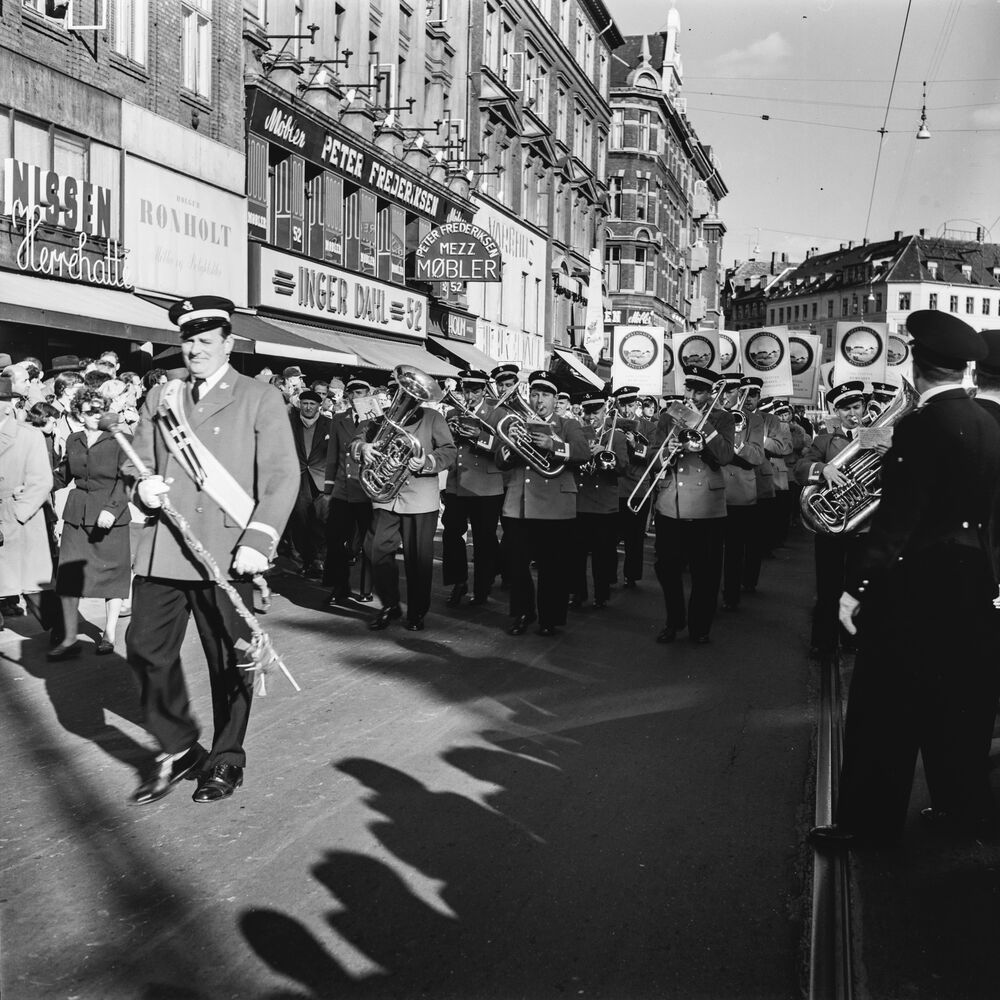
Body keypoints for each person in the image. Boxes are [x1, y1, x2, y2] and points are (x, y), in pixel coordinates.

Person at [811, 313, 1000, 848]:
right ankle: (963, 815)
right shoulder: (991, 423)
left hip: (917, 586)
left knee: (883, 711)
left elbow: (898, 521)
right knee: (958, 708)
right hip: (974, 583)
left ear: (915, 366)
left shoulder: (919, 426)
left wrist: (856, 589)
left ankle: (867, 826)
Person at [123, 295, 298, 806]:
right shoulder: (163, 397)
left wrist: (260, 539)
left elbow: (282, 475)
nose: (194, 349)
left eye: (204, 341)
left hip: (229, 547)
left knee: (230, 661)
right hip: (166, 545)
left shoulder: (258, 396)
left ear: (227, 343)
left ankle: (226, 757)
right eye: (188, 340)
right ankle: (179, 746)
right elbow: (140, 457)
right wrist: (142, 488)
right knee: (144, 647)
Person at [495, 370, 590, 636]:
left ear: (555, 399)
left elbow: (582, 453)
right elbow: (500, 461)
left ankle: (550, 618)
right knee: (516, 564)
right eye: (535, 394)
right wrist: (510, 444)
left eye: (545, 395)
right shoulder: (516, 422)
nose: (539, 401)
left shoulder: (568, 425)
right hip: (519, 504)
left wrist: (553, 444)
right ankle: (524, 612)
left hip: (555, 505)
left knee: (553, 567)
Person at [360, 375, 455, 632]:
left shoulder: (433, 418)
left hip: (419, 500)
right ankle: (390, 605)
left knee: (418, 562)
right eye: (400, 394)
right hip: (386, 498)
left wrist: (426, 462)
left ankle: (416, 612)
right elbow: (358, 440)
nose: (404, 400)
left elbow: (449, 450)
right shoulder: (380, 419)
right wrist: (363, 449)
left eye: (411, 396)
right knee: (375, 550)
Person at [652, 366, 735, 644]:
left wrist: (702, 424)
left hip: (707, 506)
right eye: (689, 389)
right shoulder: (669, 415)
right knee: (666, 568)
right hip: (671, 502)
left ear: (710, 393)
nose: (692, 396)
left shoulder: (723, 418)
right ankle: (674, 620)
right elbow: (653, 455)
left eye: (699, 391)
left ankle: (700, 627)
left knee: (706, 572)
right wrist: (668, 448)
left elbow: (724, 456)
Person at [48, 387, 132, 659]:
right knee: (69, 577)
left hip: (110, 515)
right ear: (78, 414)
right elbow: (63, 475)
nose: (95, 415)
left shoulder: (120, 438)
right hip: (77, 514)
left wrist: (112, 508)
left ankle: (108, 634)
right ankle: (70, 637)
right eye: (88, 411)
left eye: (99, 409)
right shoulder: (74, 439)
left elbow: (127, 480)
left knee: (112, 576)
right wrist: (36, 483)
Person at [794, 381, 868, 656]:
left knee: (858, 585)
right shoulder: (824, 440)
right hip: (832, 526)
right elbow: (801, 469)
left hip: (865, 526)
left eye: (856, 406)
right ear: (835, 411)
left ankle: (853, 638)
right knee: (828, 587)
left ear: (865, 406)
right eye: (845, 408)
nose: (852, 413)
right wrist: (823, 469)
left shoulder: (879, 435)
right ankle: (823, 641)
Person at [441, 370, 504, 607]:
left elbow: (504, 448)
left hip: (486, 485)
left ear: (483, 391)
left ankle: (482, 587)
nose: (470, 396)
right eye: (466, 390)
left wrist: (479, 436)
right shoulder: (452, 412)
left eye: (475, 391)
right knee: (451, 533)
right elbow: (445, 445)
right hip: (457, 483)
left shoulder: (498, 414)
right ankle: (458, 582)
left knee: (484, 539)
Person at [0, 376, 54, 634]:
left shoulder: (28, 436)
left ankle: (61, 634)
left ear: (8, 405)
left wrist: (17, 514)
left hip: (18, 520)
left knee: (32, 586)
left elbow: (42, 481)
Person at [571, 393, 627, 608]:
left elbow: (622, 467)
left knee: (602, 554)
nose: (590, 417)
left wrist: (605, 451)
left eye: (595, 413)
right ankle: (578, 593)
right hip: (581, 500)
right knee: (576, 553)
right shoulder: (577, 434)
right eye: (587, 413)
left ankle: (601, 594)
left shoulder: (617, 437)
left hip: (605, 503)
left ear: (605, 412)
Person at [323, 376, 375, 605]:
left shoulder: (378, 420)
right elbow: (332, 455)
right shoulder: (338, 419)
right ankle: (339, 586)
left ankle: (366, 588)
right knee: (337, 541)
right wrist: (328, 488)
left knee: (368, 542)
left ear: (369, 395)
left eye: (361, 393)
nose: (356, 398)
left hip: (367, 489)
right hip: (343, 489)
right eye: (352, 393)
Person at [720, 373, 765, 612]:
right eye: (723, 390)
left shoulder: (754, 421)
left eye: (731, 391)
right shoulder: (712, 417)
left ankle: (731, 594)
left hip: (739, 493)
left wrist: (737, 442)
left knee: (735, 550)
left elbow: (757, 456)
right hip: (712, 491)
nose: (726, 396)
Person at [287, 389, 332, 578]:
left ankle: (319, 560)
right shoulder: (290, 423)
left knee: (321, 522)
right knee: (300, 521)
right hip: (298, 477)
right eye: (304, 403)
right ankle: (304, 560)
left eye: (312, 404)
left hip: (322, 478)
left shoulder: (329, 424)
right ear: (299, 404)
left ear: (319, 406)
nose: (308, 407)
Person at [615, 386, 656, 588]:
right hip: (614, 487)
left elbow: (654, 456)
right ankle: (607, 575)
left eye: (630, 405)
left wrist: (635, 445)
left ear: (636, 405)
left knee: (634, 537)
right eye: (622, 405)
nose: (626, 410)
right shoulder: (609, 425)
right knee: (610, 536)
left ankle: (631, 575)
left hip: (638, 487)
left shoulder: (648, 427)